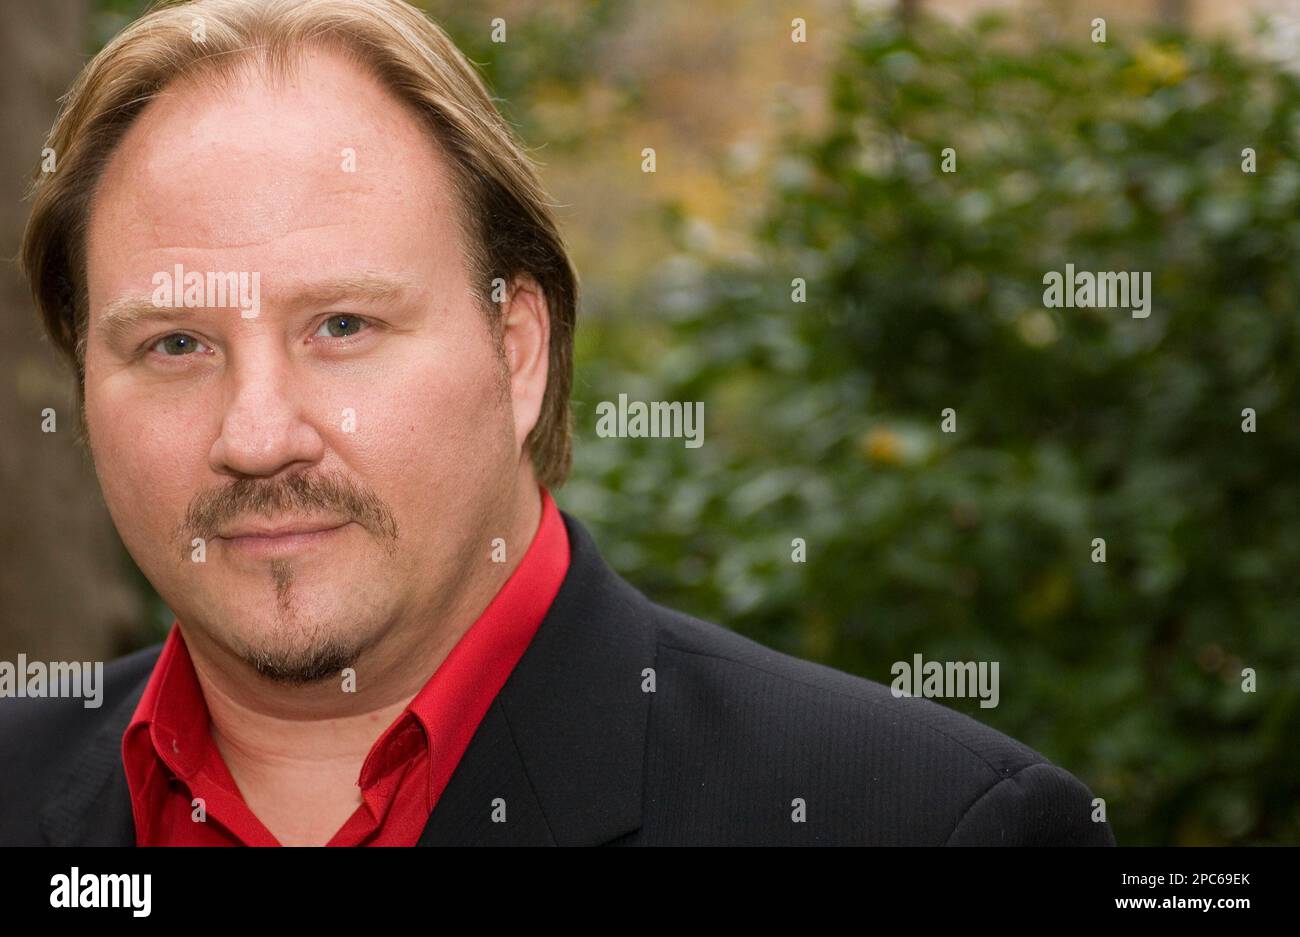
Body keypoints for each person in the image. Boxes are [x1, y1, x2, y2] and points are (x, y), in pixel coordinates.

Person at [1, 0, 1115, 846]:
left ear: (517, 350)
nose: (256, 434)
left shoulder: (928, 825)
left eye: (341, 324)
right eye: (174, 346)